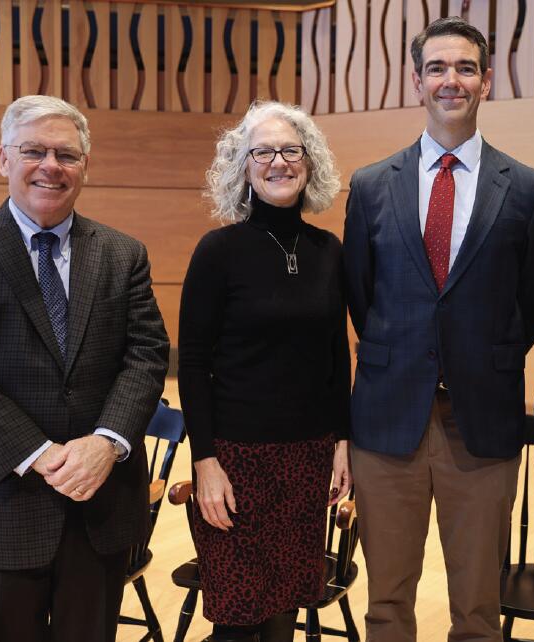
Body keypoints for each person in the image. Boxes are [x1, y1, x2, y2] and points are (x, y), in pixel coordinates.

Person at [0, 95, 170, 642]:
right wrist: (41, 453)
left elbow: (146, 356)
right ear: (4, 159)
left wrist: (107, 442)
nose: (51, 166)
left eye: (67, 155)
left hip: (99, 501)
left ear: (84, 166)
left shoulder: (124, 254)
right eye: (34, 151)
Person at [343, 17, 534, 642]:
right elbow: (361, 296)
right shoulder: (370, 185)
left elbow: (533, 302)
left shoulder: (526, 188)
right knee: (387, 604)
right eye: (437, 68)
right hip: (387, 423)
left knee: (477, 610)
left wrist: (478, 359)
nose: (451, 80)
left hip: (480, 424)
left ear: (486, 81)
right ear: (417, 81)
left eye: (465, 68)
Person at [177, 100, 351, 642]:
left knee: (284, 614)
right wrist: (204, 460)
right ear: (243, 166)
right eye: (263, 152)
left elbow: (336, 354)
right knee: (235, 617)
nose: (279, 161)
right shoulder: (218, 251)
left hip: (307, 457)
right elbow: (193, 363)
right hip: (235, 459)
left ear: (309, 162)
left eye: (290, 150)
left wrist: (343, 439)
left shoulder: (328, 250)